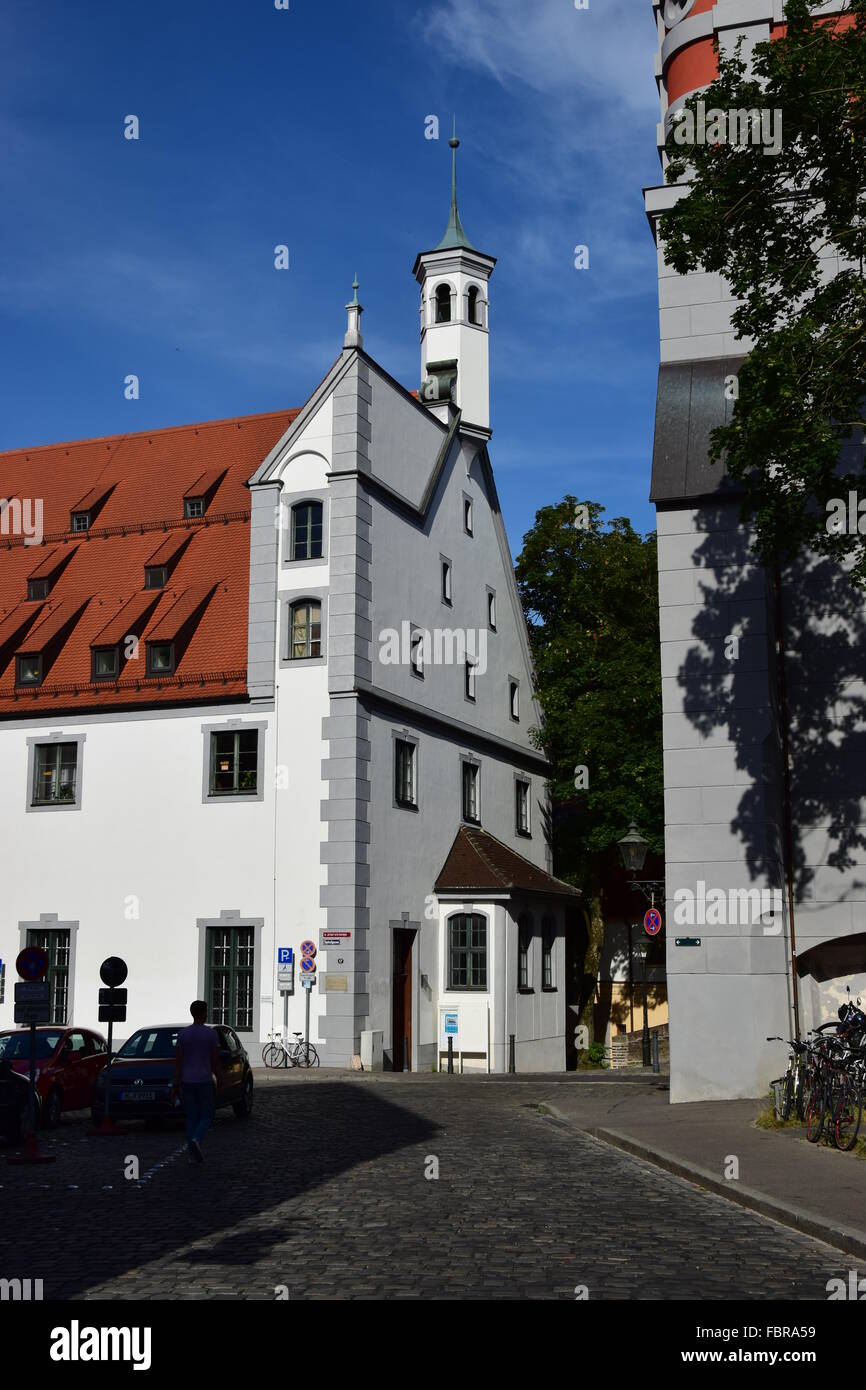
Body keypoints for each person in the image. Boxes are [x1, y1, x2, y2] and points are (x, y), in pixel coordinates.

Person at [172, 1001, 222, 1163]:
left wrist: (176, 1082)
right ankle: (197, 1139)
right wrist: (219, 1077)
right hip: (204, 1079)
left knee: (191, 1117)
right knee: (206, 1115)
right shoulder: (210, 1034)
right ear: (204, 1013)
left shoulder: (183, 1034)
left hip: (187, 1080)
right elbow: (215, 1060)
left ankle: (192, 1155)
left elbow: (179, 1061)